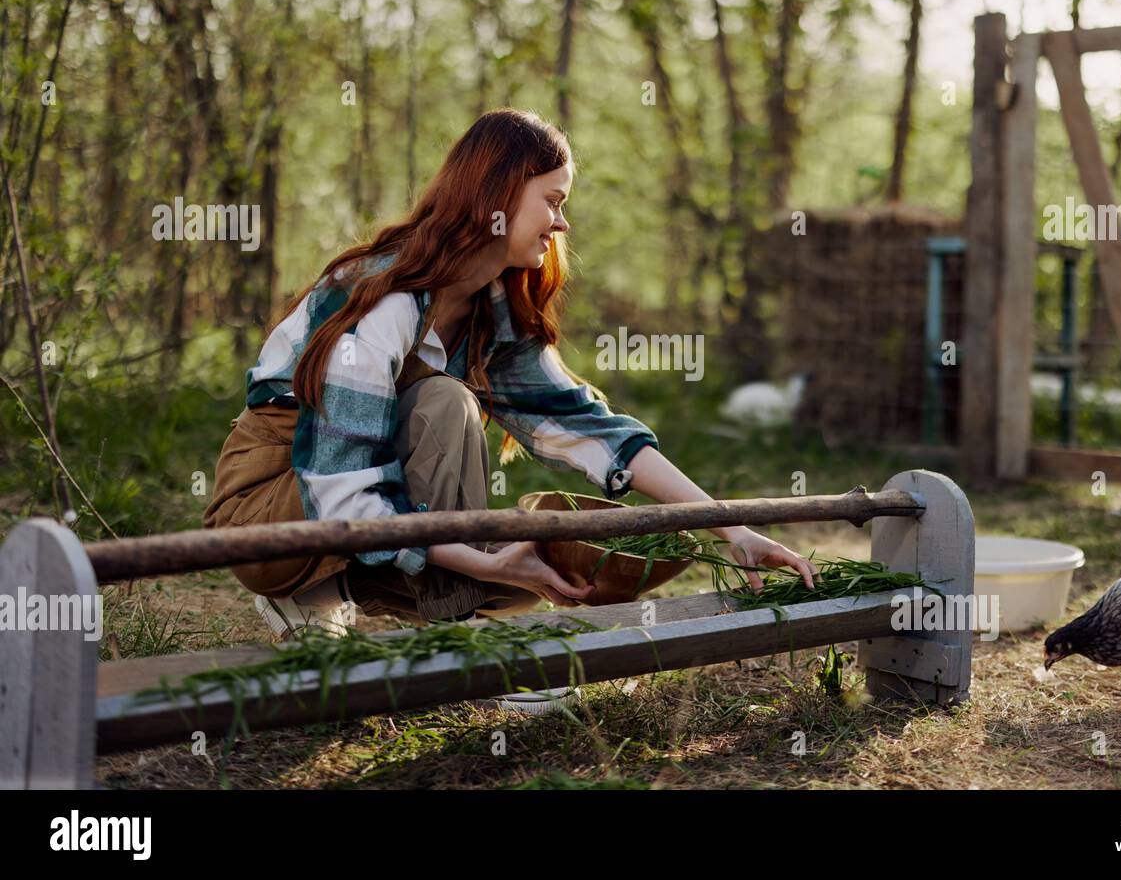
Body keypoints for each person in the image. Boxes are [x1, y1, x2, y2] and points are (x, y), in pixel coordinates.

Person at [203, 107, 816, 644]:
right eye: (553, 201)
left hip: (347, 511)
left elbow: (588, 427)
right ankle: (337, 598)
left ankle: (428, 613)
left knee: (539, 576)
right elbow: (339, 490)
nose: (562, 223)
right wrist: (481, 565)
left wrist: (729, 530)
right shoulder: (384, 300)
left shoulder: (492, 311)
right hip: (273, 512)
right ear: (495, 195)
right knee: (445, 405)